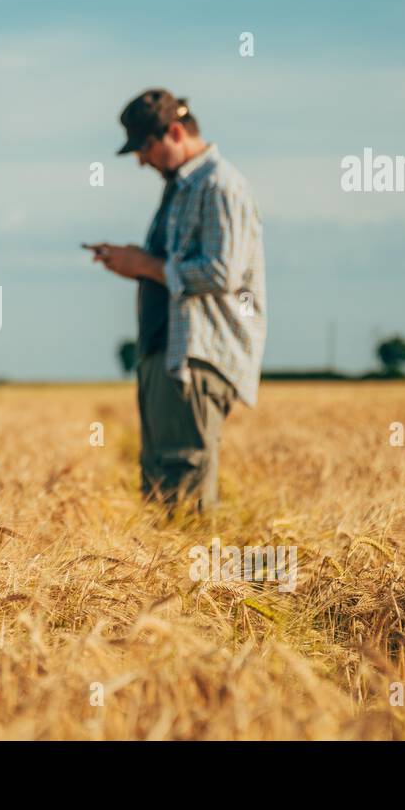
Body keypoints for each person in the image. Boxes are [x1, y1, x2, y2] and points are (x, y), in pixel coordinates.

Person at [87, 88, 266, 514]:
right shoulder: (183, 188)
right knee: (161, 492)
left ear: (175, 131)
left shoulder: (220, 186)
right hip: (169, 354)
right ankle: (170, 580)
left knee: (185, 496)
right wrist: (132, 261)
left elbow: (222, 272)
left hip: (195, 358)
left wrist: (144, 265)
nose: (141, 160)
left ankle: (207, 582)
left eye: (146, 147)